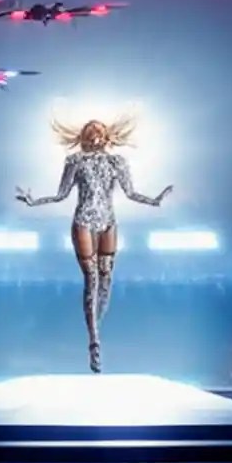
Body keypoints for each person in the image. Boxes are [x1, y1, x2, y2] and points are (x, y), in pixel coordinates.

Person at [16, 116, 173, 372]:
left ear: (106, 136)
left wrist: (154, 200)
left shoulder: (116, 161)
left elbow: (130, 192)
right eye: (90, 131)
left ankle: (95, 324)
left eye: (98, 131)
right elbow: (61, 194)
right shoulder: (75, 161)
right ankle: (94, 341)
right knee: (91, 279)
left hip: (108, 222)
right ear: (84, 136)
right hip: (84, 222)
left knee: (106, 278)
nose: (95, 135)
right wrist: (33, 202)